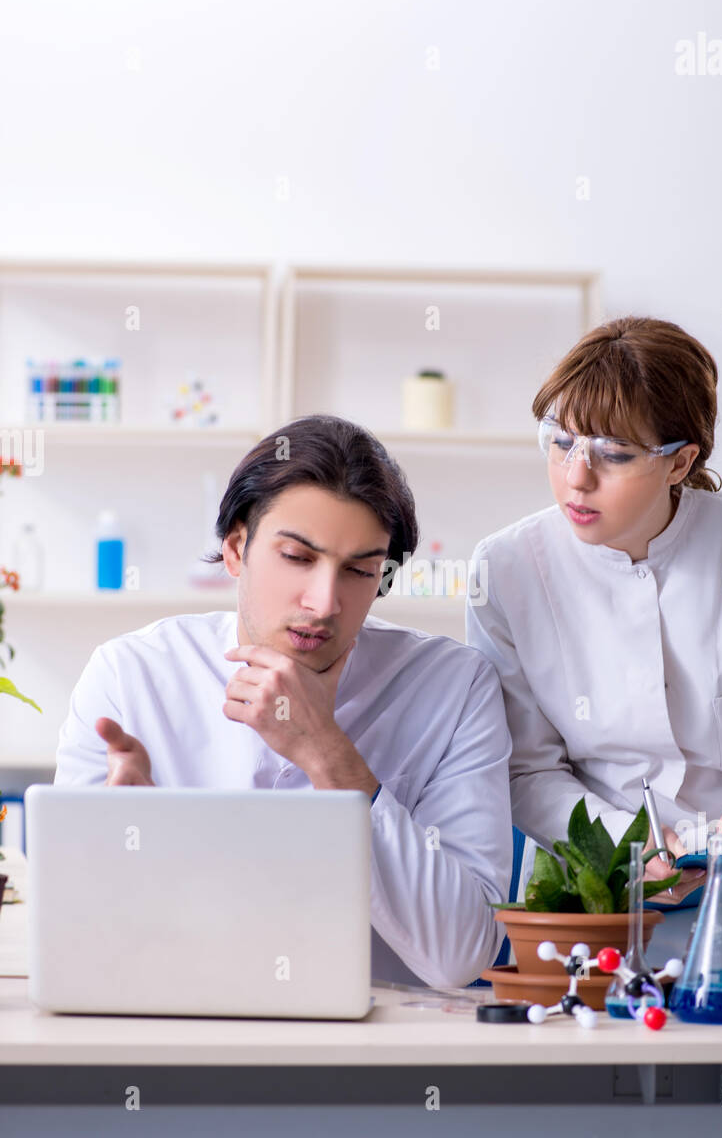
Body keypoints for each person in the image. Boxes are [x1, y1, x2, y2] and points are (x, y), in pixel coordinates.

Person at [466, 316, 722, 1100]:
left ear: (682, 461)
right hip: (597, 908)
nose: (575, 476)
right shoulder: (507, 568)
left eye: (612, 455)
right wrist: (635, 850)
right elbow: (528, 768)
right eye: (559, 440)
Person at [54, 415, 513, 989]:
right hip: (173, 1033)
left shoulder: (452, 687)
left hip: (374, 1058)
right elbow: (73, 932)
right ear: (236, 547)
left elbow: (460, 956)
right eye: (298, 557)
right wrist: (136, 850)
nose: (323, 603)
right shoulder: (132, 676)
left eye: (359, 570)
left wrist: (329, 755)